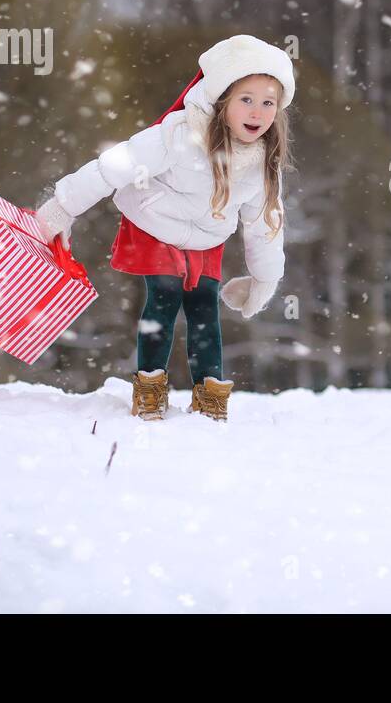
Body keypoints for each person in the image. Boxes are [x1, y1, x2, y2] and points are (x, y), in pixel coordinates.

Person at [33, 35, 295, 423]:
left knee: (205, 305)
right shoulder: (178, 133)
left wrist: (263, 280)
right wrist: (62, 206)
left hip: (205, 238)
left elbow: (264, 224)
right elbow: (114, 165)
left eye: (268, 102)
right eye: (246, 99)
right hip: (155, 223)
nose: (257, 111)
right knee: (166, 294)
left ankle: (210, 396)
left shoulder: (262, 163)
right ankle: (150, 389)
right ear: (221, 99)